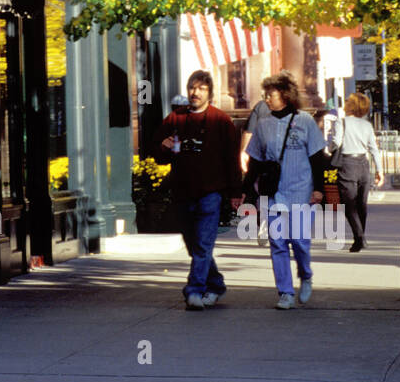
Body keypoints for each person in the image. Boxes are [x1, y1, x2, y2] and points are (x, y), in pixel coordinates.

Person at [153, 70, 242, 311]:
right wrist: (163, 146)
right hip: (182, 191)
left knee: (203, 243)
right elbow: (158, 154)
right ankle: (216, 284)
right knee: (193, 244)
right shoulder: (175, 119)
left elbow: (231, 158)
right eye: (192, 87)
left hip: (211, 192)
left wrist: (236, 192)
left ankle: (194, 290)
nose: (195, 92)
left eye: (201, 88)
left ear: (209, 93)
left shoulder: (221, 120)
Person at [244, 71, 329, 310]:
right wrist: (248, 191)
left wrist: (319, 190)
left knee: (300, 241)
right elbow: (255, 161)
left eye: (270, 94)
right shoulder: (263, 124)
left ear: (285, 95)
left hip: (301, 191)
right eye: (265, 94)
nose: (266, 98)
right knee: (278, 243)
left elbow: (317, 158)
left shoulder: (305, 122)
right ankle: (285, 292)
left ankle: (306, 274)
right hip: (274, 194)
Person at [331, 91, 383, 252]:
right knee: (361, 203)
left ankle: (359, 237)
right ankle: (360, 237)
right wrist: (379, 171)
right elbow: (374, 149)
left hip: (347, 163)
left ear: (350, 105)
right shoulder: (367, 125)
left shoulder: (342, 122)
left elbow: (336, 142)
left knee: (349, 203)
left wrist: (330, 145)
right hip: (363, 163)